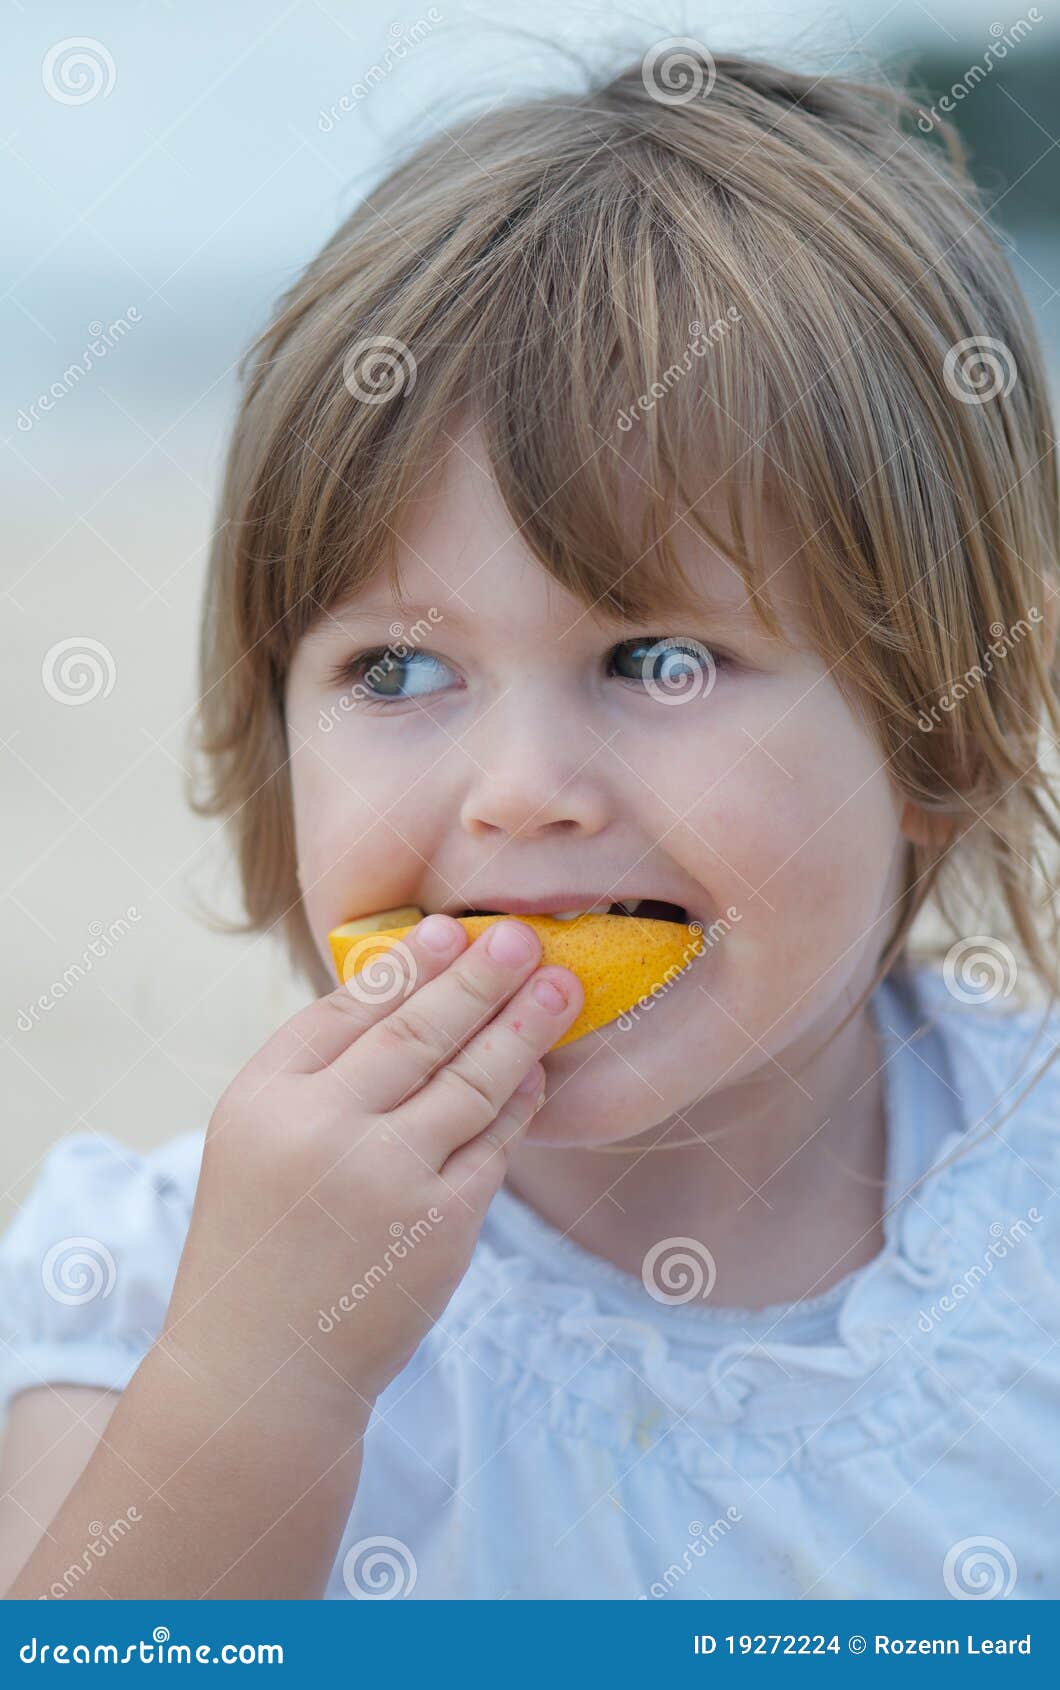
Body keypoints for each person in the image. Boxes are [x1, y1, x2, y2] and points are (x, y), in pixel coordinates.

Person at [3, 44, 1059, 1601]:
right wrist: (262, 1377)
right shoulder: (146, 1281)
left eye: (658, 659)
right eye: (398, 669)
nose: (518, 789)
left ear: (936, 727)